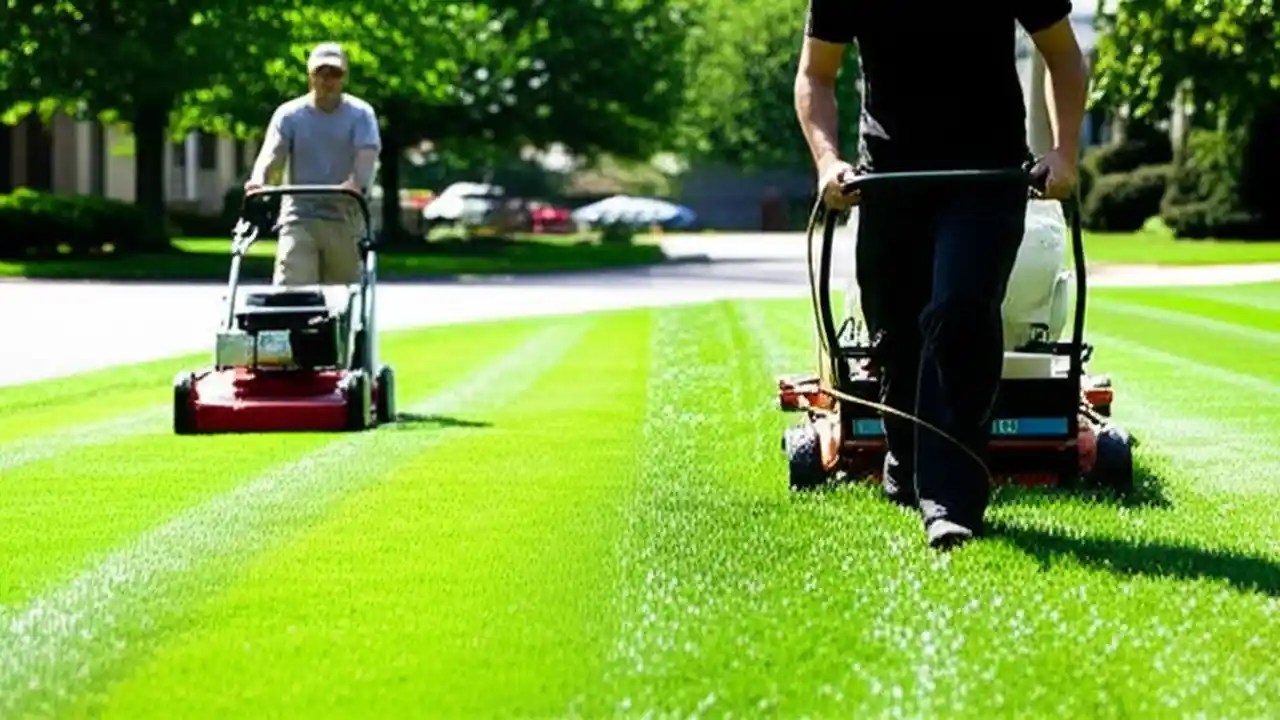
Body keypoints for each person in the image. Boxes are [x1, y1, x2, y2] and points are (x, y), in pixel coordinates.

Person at [793, 2, 1089, 548]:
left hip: (988, 173)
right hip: (888, 178)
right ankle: (906, 463)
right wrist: (828, 161)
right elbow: (816, 73)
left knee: (961, 311)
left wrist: (1064, 152)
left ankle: (951, 502)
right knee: (897, 336)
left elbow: (1064, 56)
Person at [245, 42, 382, 286]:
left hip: (344, 215)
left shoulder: (361, 115)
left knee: (342, 293)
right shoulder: (289, 115)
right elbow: (273, 151)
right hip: (300, 215)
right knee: (292, 289)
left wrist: (356, 183)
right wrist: (259, 180)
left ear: (344, 77)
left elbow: (367, 155)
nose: (327, 80)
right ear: (310, 76)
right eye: (322, 73)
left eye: (335, 74)